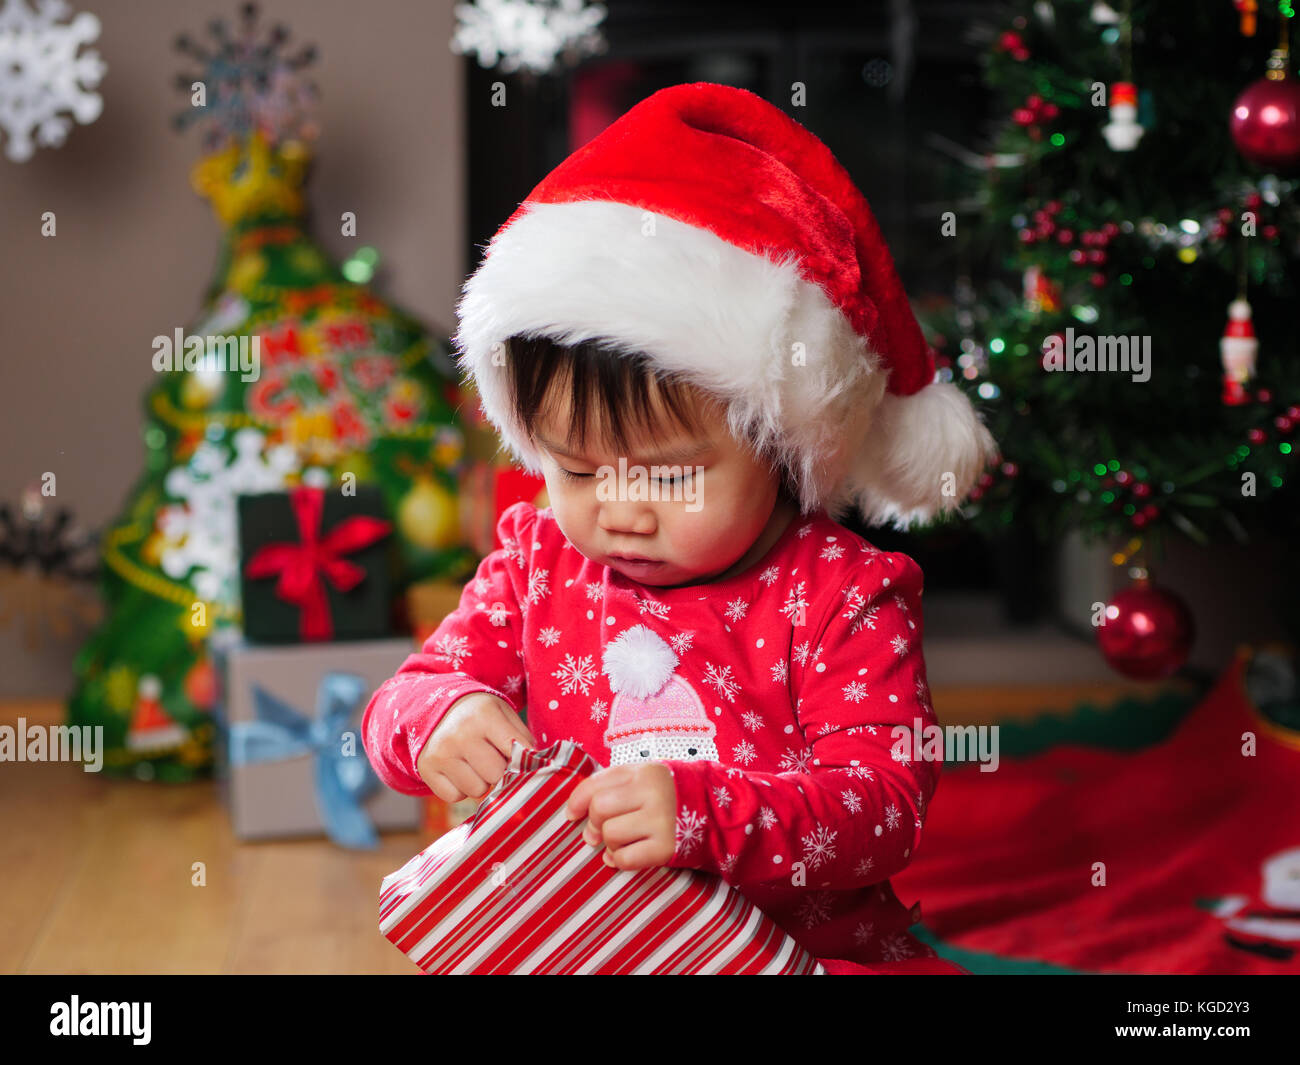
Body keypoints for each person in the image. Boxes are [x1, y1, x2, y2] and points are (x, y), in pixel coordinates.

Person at [362, 82, 996, 974]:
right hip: (586, 950)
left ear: (780, 442)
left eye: (668, 471)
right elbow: (395, 704)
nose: (620, 506)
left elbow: (885, 807)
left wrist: (705, 816)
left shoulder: (841, 594)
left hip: (801, 953)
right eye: (577, 470)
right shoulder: (537, 563)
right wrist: (441, 714)